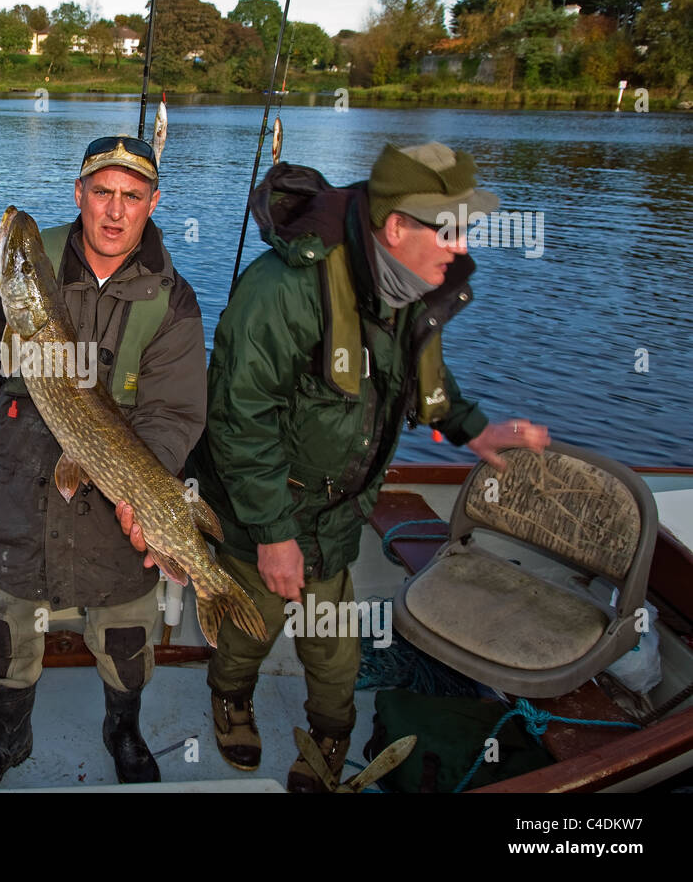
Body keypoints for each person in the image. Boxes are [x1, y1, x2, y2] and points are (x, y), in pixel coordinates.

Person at [187, 142, 551, 791]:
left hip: (334, 516)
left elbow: (422, 380)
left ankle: (328, 737)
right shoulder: (280, 292)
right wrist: (273, 535)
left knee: (333, 646)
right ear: (395, 228)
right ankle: (231, 696)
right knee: (251, 624)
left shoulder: (411, 283)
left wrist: (473, 428)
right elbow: (238, 422)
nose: (462, 245)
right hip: (257, 511)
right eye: (450, 228)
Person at [0, 136, 207, 789]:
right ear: (79, 195)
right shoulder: (28, 271)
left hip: (110, 510)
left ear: (152, 203)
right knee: (6, 631)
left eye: (132, 196)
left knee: (126, 635)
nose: (115, 213)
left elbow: (172, 418)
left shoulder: (172, 301)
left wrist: (147, 499)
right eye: (102, 193)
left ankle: (122, 728)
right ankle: (9, 738)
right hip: (20, 495)